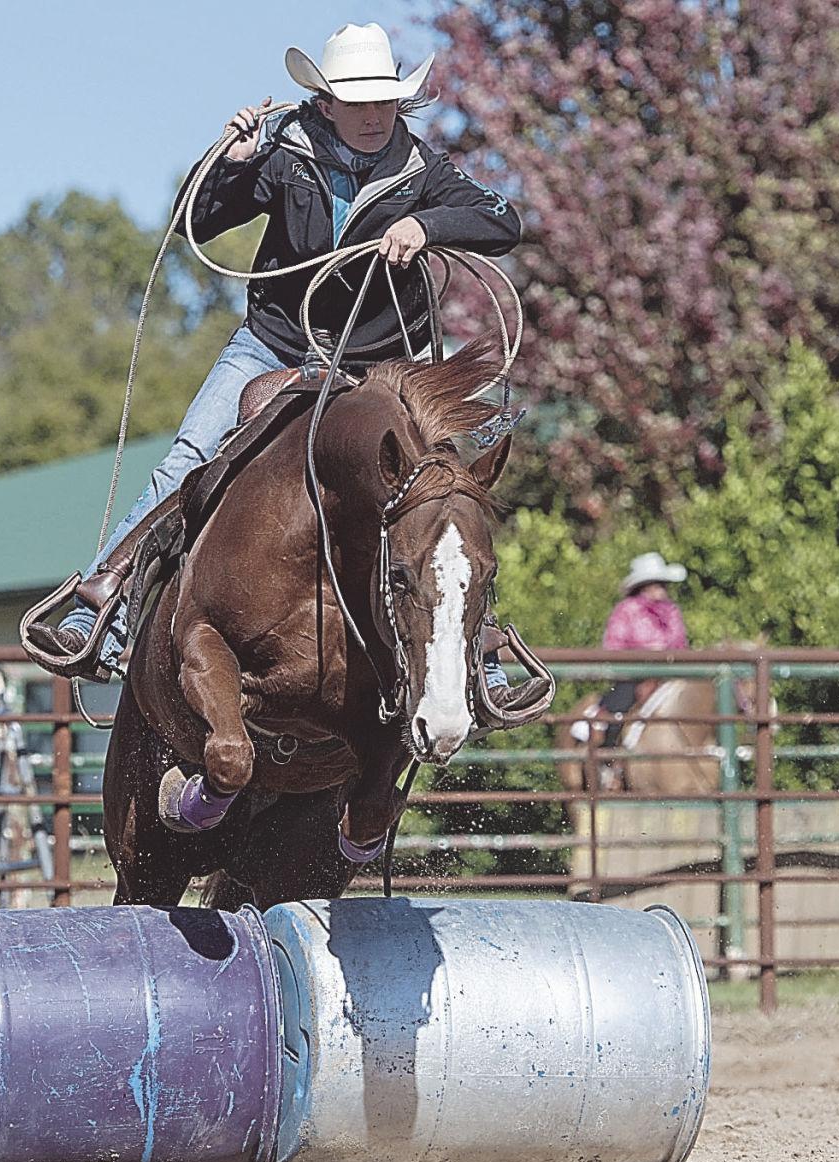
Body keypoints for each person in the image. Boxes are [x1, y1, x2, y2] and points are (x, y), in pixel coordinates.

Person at [27, 22, 548, 713]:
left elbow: (501, 219)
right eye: (356, 102)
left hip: (379, 369)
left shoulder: (423, 173)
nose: (372, 117)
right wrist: (234, 162)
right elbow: (198, 223)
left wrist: (428, 226)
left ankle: (478, 653)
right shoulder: (285, 152)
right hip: (274, 344)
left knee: (443, 487)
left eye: (383, 102)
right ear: (325, 102)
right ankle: (105, 603)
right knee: (189, 452)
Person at [586, 552, 690, 748]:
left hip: (669, 674)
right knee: (618, 708)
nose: (662, 589)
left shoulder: (671, 611)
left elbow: (680, 643)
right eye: (657, 584)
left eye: (663, 584)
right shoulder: (626, 610)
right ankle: (609, 755)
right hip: (634, 676)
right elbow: (614, 645)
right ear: (645, 586)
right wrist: (643, 661)